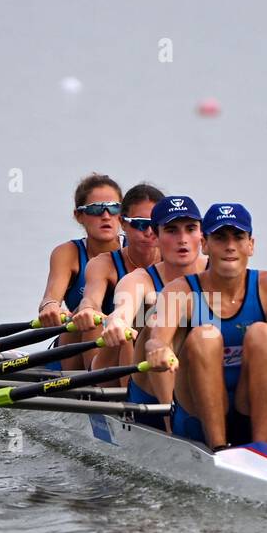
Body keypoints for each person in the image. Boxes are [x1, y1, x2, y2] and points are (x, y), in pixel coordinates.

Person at [144, 203, 267, 449]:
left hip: (254, 409)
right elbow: (158, 338)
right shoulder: (180, 290)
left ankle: (262, 449)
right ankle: (218, 448)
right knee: (205, 336)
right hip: (196, 418)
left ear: (251, 245)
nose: (230, 246)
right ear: (206, 245)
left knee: (263, 333)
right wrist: (158, 350)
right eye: (220, 237)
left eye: (238, 237)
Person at [91, 196, 208, 428]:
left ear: (202, 236)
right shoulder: (140, 279)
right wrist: (117, 322)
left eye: (190, 229)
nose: (182, 239)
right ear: (155, 236)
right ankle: (175, 428)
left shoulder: (223, 271)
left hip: (207, 379)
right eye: (172, 230)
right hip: (150, 390)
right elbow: (123, 309)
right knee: (160, 313)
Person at [69, 183, 164, 366]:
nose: (150, 232)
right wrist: (87, 309)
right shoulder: (102, 264)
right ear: (122, 223)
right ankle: (99, 385)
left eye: (155, 225)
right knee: (107, 321)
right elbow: (91, 300)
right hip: (106, 359)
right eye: (140, 224)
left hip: (156, 355)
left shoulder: (176, 263)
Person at [35, 173, 123, 370]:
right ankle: (88, 389)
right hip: (70, 353)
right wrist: (50, 307)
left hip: (121, 347)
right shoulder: (68, 253)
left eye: (114, 207)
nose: (106, 216)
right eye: (95, 209)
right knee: (88, 316)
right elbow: (51, 297)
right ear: (79, 216)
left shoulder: (137, 250)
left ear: (122, 215)